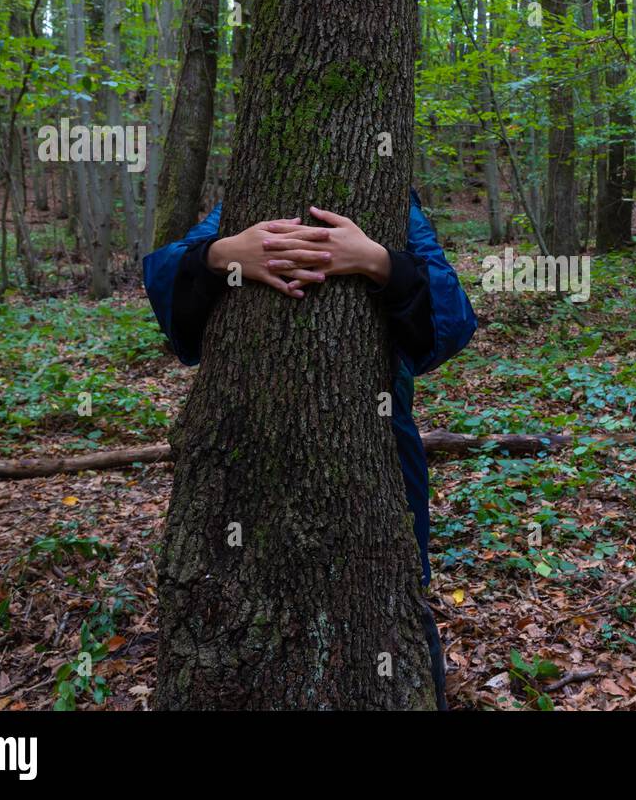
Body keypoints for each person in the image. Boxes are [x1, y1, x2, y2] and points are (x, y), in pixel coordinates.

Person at [142, 189, 476, 709]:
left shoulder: (396, 201)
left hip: (380, 447)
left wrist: (378, 262)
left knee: (390, 596)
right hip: (246, 447)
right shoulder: (245, 195)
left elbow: (453, 319)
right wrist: (218, 256)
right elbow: (169, 280)